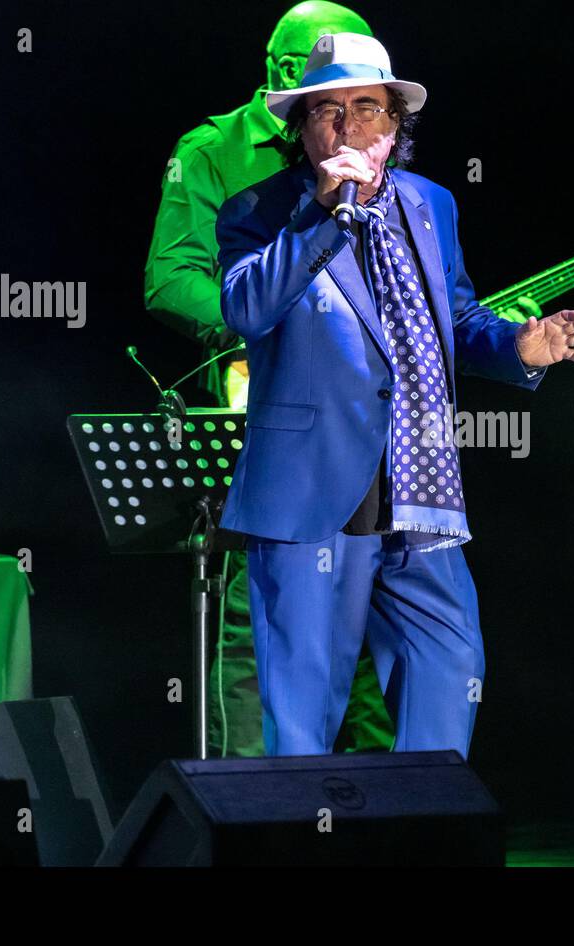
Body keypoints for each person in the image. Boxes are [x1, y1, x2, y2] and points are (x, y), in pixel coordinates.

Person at [216, 33, 574, 757]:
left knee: (449, 669)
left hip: (422, 485)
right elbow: (247, 309)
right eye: (327, 110)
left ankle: (431, 837)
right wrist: (323, 216)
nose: (349, 125)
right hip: (314, 487)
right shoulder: (260, 211)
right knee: (305, 711)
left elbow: (451, 316)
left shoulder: (431, 204)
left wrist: (517, 348)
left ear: (395, 125)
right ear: (301, 129)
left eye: (368, 107)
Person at [144, 1, 395, 757]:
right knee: (258, 623)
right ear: (284, 74)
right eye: (328, 87)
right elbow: (170, 279)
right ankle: (260, 814)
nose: (349, 110)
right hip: (263, 413)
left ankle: (390, 817)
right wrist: (259, 316)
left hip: (359, 419)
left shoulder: (373, 147)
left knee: (371, 620)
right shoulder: (215, 150)